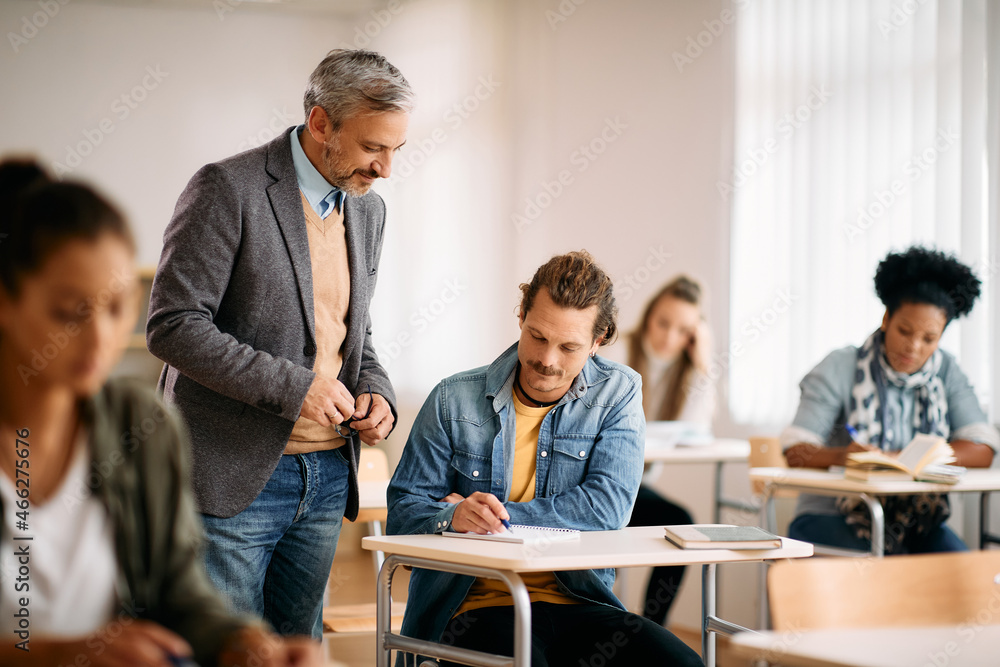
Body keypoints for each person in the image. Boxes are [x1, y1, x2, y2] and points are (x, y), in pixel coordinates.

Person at [0, 159, 321, 666]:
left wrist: (248, 645)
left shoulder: (140, 427)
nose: (99, 339)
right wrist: (62, 655)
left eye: (114, 308)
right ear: (7, 300)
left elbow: (178, 595)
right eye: (67, 311)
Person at [146, 49, 412, 637]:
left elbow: (352, 336)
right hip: (231, 478)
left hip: (325, 477)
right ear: (321, 124)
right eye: (373, 148)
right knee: (228, 653)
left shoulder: (368, 213)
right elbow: (172, 324)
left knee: (299, 652)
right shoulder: (226, 187)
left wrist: (378, 395)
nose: (386, 168)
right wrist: (298, 388)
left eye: (396, 149)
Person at [387, 251, 703, 667]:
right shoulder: (452, 398)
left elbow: (607, 508)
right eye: (537, 336)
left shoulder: (618, 393)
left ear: (598, 340)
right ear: (521, 315)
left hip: (580, 601)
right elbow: (402, 517)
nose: (547, 360)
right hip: (472, 610)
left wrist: (496, 521)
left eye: (569, 346)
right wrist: (451, 520)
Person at [781, 246, 998, 554]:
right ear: (886, 318)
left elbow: (982, 450)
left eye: (929, 338)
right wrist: (844, 456)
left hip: (917, 522)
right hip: (830, 515)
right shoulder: (840, 367)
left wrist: (909, 457)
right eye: (904, 331)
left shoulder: (947, 371)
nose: (913, 347)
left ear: (942, 335)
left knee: (965, 576)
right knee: (888, 573)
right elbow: (796, 453)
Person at [623, 276, 713, 626]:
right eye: (663, 323)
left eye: (683, 331)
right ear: (648, 316)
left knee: (682, 524)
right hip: (599, 482)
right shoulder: (619, 352)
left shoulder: (685, 371)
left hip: (634, 487)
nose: (669, 338)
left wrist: (702, 362)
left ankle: (652, 626)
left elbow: (698, 429)